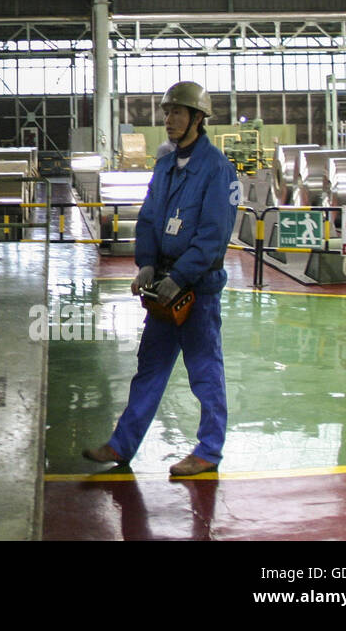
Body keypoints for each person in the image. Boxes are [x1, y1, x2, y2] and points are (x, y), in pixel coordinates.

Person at [83, 81, 237, 477]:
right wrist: (147, 264)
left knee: (204, 370)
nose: (168, 120)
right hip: (163, 287)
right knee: (149, 368)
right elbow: (150, 217)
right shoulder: (166, 165)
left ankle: (209, 450)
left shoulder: (217, 169)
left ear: (198, 118)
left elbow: (214, 234)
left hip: (197, 291)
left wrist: (182, 276)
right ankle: (122, 445)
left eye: (177, 112)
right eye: (166, 112)